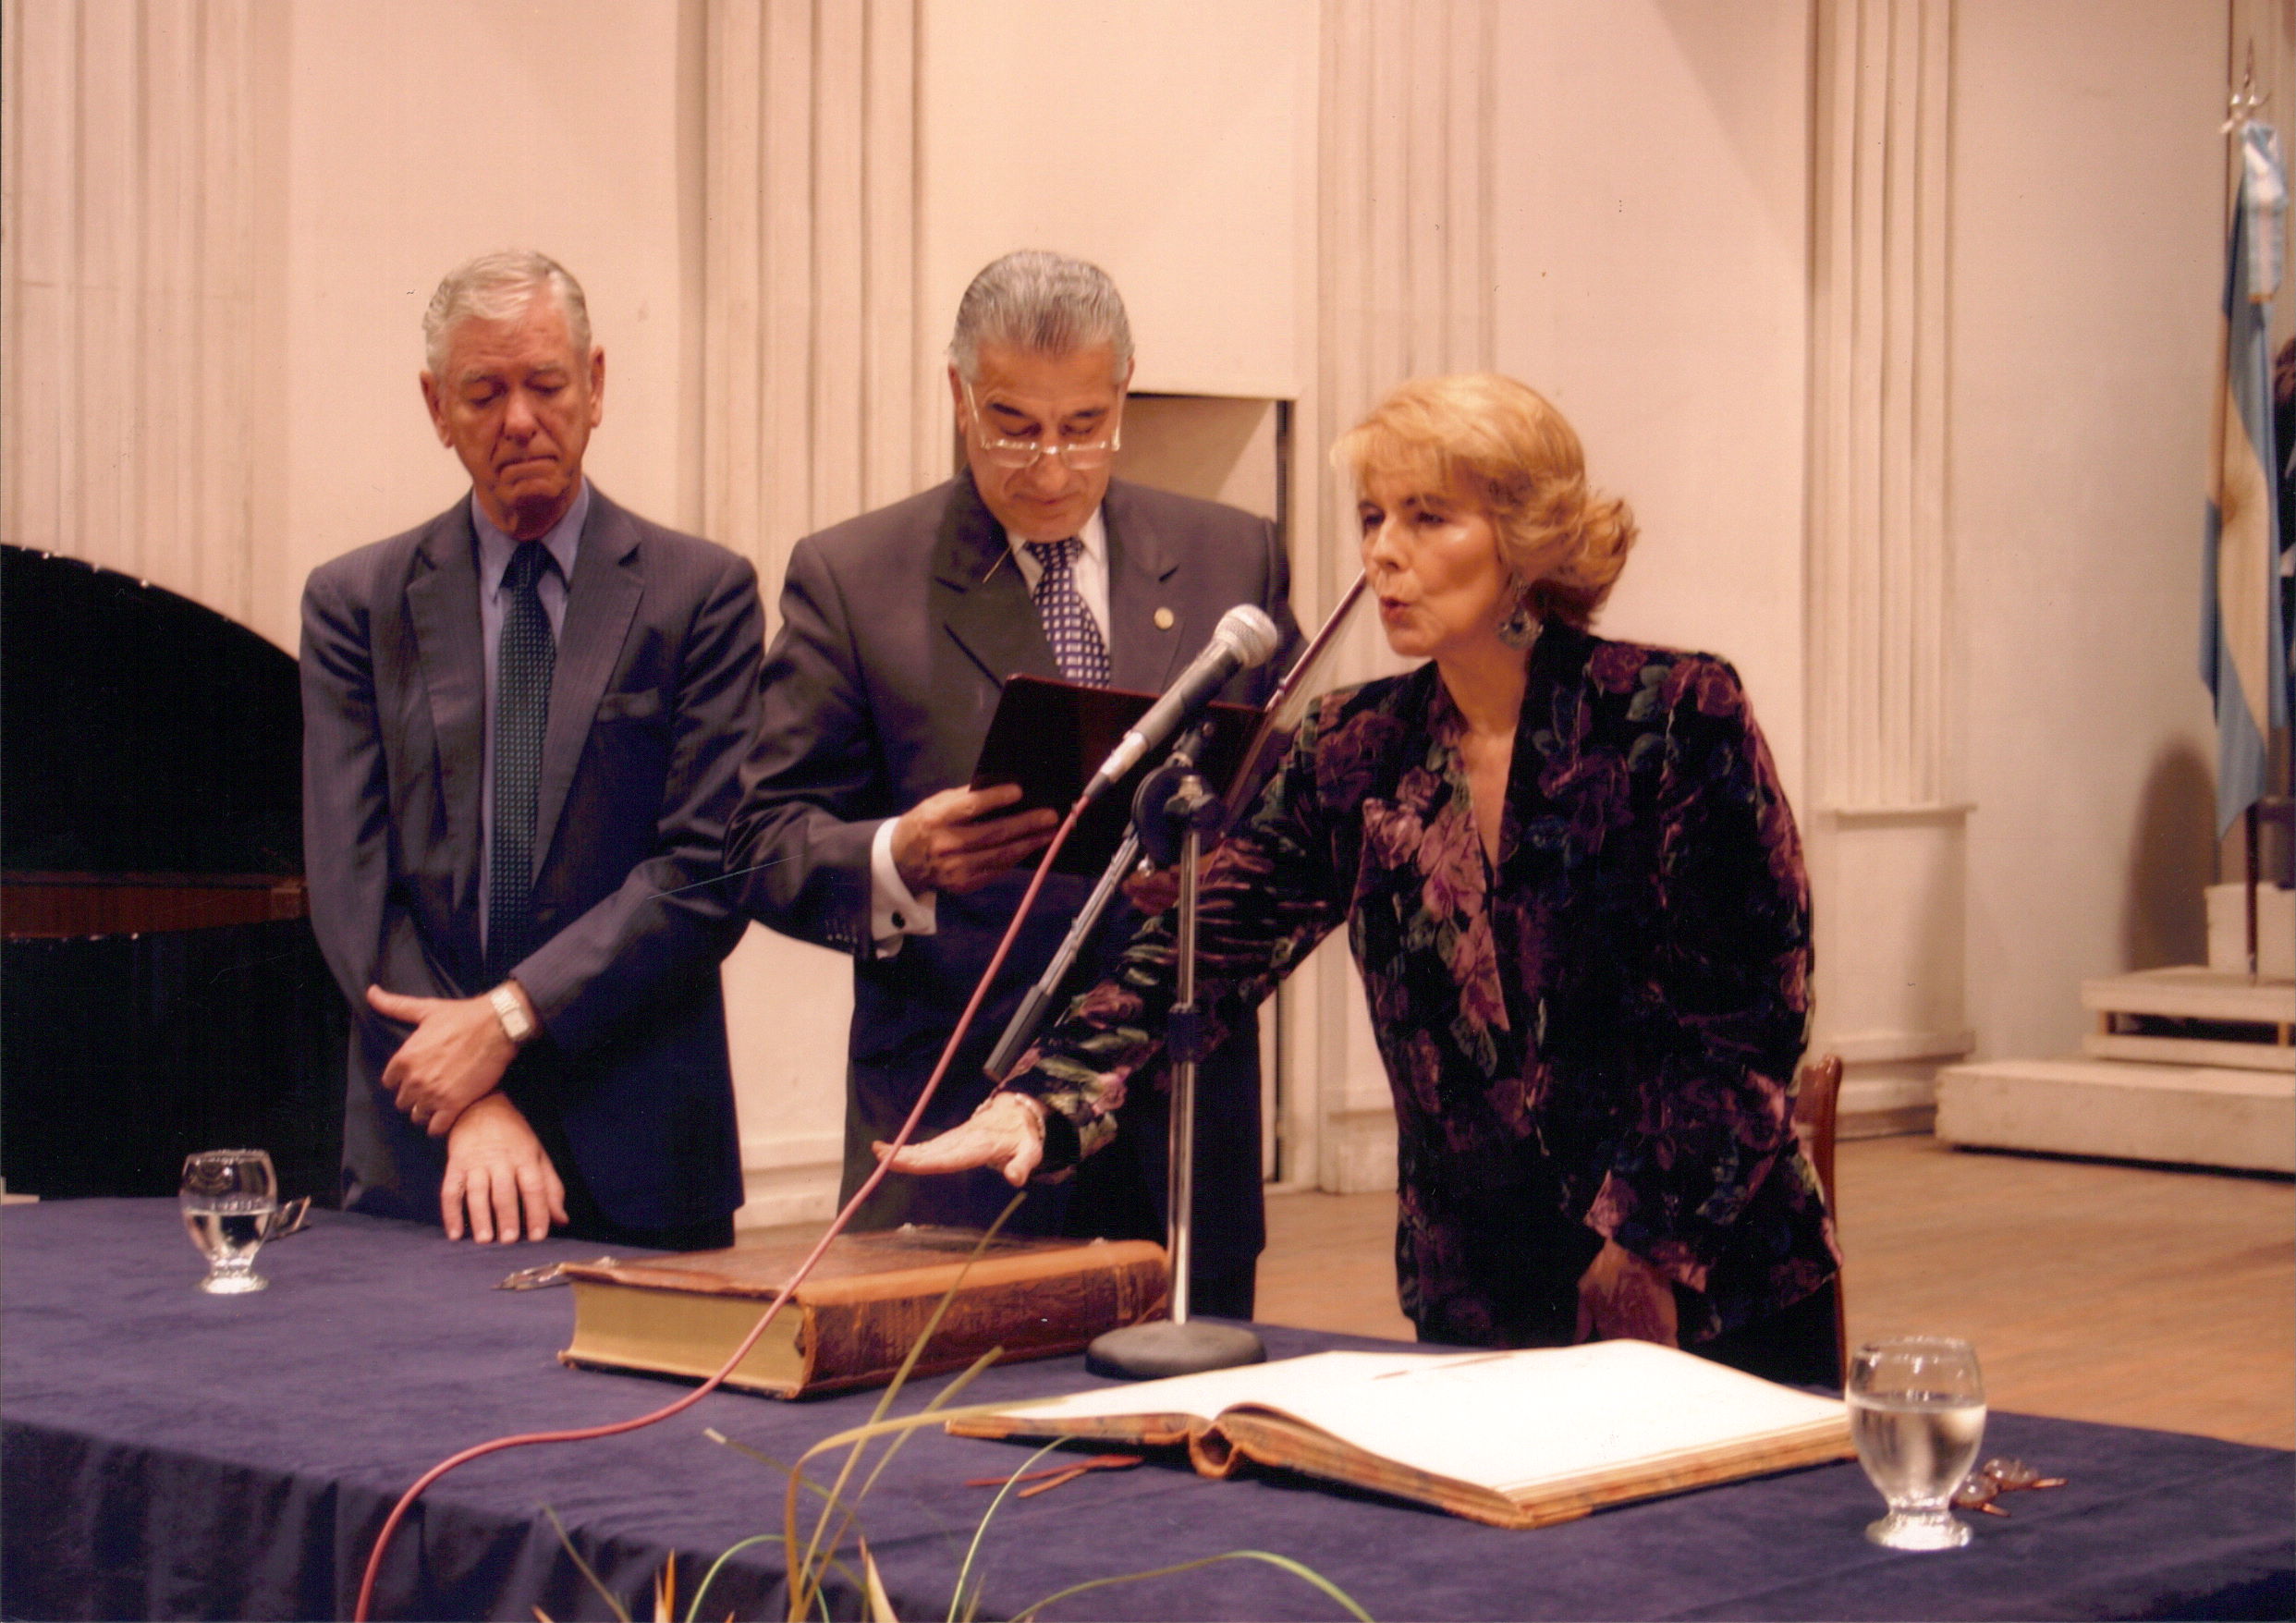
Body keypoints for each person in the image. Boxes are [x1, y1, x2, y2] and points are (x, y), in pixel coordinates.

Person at [885, 372, 1843, 1384]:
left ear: (1526, 535)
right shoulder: (1354, 744)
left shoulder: (1674, 712)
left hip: (1708, 1277)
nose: (1384, 551)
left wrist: (1646, 1244)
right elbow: (1204, 949)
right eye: (1374, 516)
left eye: (1429, 518)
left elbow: (1749, 1015)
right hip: (1485, 1294)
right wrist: (1044, 1097)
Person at [727, 250, 1301, 1316]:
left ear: (1124, 389)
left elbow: (1286, 810)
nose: (1049, 466)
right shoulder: (857, 578)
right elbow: (759, 840)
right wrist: (899, 856)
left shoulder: (1233, 556)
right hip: (955, 1114)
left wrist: (1218, 860)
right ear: (956, 393)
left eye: (1085, 425)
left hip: (1181, 1131)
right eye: (1012, 424)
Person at [301, 250, 763, 1250]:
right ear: (436, 406)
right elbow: (353, 884)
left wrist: (505, 1020)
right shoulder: (355, 605)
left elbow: (703, 873)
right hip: (424, 1145)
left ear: (595, 386)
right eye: (484, 390)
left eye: (546, 384)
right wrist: (463, 1094)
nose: (519, 419)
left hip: (641, 1148)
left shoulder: (703, 595)